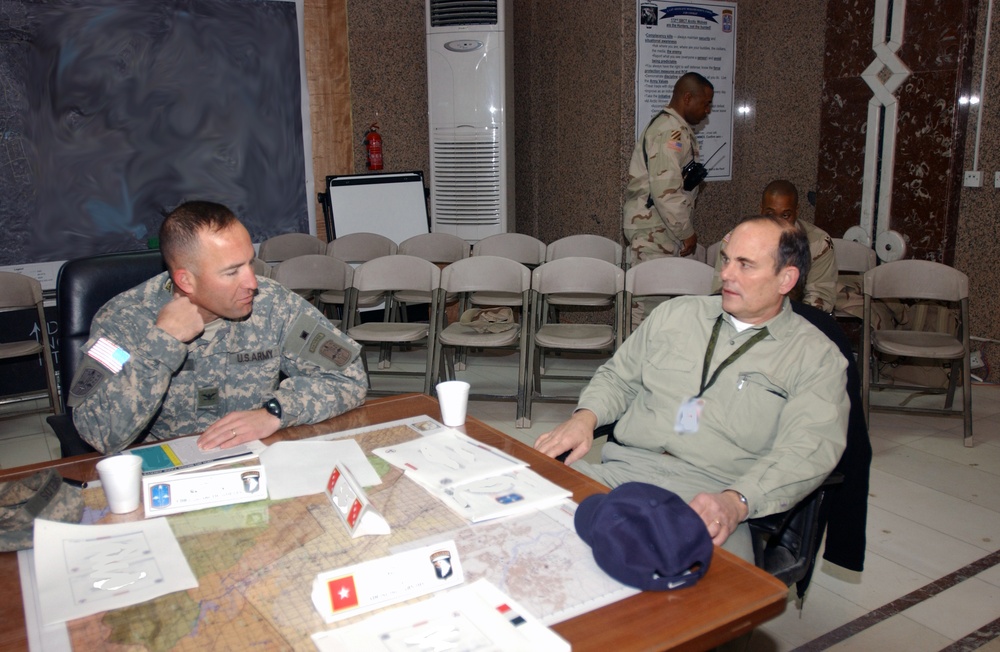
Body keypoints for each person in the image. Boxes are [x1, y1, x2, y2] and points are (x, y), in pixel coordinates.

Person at [534, 215, 849, 561]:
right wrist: (585, 417)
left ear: (786, 278)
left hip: (709, 499)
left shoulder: (815, 357)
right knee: (525, 518)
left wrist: (737, 501)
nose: (726, 273)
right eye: (727, 259)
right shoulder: (676, 315)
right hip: (619, 474)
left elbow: (809, 450)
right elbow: (619, 377)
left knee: (682, 596)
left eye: (746, 265)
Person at [68, 201, 368, 454]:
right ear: (186, 280)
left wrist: (275, 412)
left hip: (254, 459)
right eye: (231, 271)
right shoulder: (123, 321)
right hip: (166, 468)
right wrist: (163, 343)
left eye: (250, 263)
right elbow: (98, 431)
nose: (251, 282)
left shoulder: (274, 304)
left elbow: (350, 377)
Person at [623, 72, 714, 265]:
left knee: (664, 294)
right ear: (687, 98)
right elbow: (665, 190)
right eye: (705, 103)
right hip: (654, 233)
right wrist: (686, 232)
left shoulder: (672, 127)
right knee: (654, 294)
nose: (708, 110)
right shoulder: (669, 132)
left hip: (661, 230)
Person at [712, 180, 837, 312]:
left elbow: (819, 301)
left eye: (785, 215)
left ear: (796, 211)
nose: (777, 222)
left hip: (798, 319)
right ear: (761, 210)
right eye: (770, 214)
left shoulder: (818, 244)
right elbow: (722, 295)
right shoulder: (735, 241)